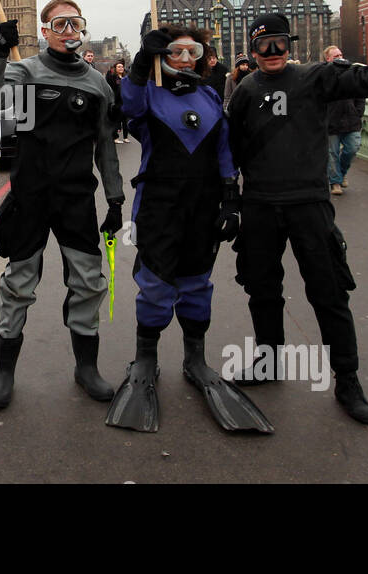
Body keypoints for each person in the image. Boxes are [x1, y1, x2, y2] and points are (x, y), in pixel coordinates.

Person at [226, 4, 368, 424]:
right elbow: (229, 154)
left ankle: (347, 378)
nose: (272, 51)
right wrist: (229, 202)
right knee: (262, 289)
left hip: (309, 203)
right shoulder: (245, 92)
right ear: (252, 49)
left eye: (280, 43)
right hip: (261, 206)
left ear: (290, 45)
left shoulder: (317, 78)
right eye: (263, 44)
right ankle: (269, 362)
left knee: (328, 292)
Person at [105, 26, 270, 434]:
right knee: (157, 283)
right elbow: (128, 104)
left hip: (204, 205)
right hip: (160, 207)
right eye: (173, 51)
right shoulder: (148, 94)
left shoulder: (211, 95)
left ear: (201, 55)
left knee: (197, 282)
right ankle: (145, 360)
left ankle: (195, 359)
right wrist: (143, 60)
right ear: (162, 57)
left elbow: (224, 149)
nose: (183, 58)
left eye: (191, 51)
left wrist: (231, 199)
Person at [0, 0, 124, 408]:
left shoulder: (96, 83)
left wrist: (114, 197)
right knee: (19, 284)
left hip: (76, 198)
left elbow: (105, 147)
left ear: (82, 30)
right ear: (44, 32)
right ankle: (4, 371)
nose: (67, 32)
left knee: (88, 282)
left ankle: (86, 369)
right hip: (30, 196)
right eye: (58, 25)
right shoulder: (25, 71)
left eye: (74, 24)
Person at [323, 45, 365, 196]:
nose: (340, 58)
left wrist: (358, 112)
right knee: (332, 154)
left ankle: (341, 172)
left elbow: (360, 94)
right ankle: (335, 183)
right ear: (328, 59)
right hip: (331, 124)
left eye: (341, 55)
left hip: (351, 121)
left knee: (352, 148)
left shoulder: (351, 74)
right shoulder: (323, 77)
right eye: (336, 57)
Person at [105, 60, 130, 143]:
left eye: (122, 67)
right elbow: (108, 79)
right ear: (115, 68)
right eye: (119, 67)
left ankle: (126, 137)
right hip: (117, 101)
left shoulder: (126, 77)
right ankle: (115, 138)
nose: (121, 68)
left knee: (125, 120)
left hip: (125, 101)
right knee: (117, 120)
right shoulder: (113, 77)